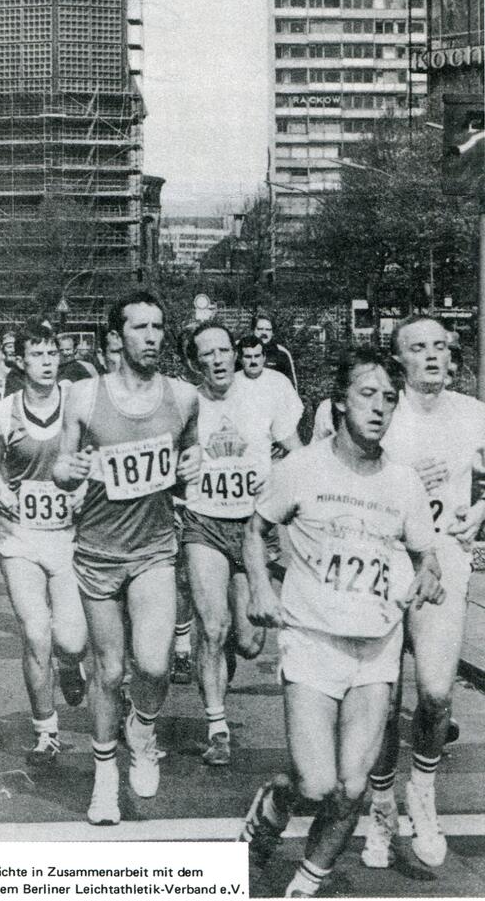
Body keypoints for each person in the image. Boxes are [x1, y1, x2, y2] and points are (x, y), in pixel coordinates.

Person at [239, 347, 443, 898]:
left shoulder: (403, 483)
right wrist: (259, 584)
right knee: (316, 782)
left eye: (389, 399)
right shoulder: (301, 469)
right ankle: (275, 802)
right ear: (339, 402)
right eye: (367, 394)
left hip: (376, 648)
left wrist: (428, 576)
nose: (379, 408)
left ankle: (307, 882)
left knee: (352, 787)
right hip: (312, 641)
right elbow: (254, 531)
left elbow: (427, 556)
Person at [53, 288, 199, 825]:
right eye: (140, 328)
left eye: (158, 327)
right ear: (117, 337)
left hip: (155, 551)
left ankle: (143, 730)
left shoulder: (183, 398)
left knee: (156, 664)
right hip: (97, 552)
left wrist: (193, 465)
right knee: (110, 673)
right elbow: (64, 465)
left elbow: (192, 452)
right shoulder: (85, 396)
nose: (153, 337)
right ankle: (104, 777)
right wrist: (67, 472)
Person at [361, 316, 485, 871]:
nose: (432, 355)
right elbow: (342, 476)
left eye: (440, 345)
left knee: (435, 692)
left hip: (446, 563)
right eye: (418, 347)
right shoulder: (383, 412)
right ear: (399, 358)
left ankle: (423, 792)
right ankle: (382, 805)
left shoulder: (473, 413)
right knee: (383, 697)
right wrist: (403, 473)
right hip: (383, 564)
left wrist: (479, 514)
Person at [183, 322, 302, 766]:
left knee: (249, 642)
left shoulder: (267, 394)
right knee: (211, 627)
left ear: (236, 353)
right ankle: (217, 727)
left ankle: (218, 654)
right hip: (204, 525)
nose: (216, 360)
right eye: (206, 354)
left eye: (223, 350)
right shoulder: (186, 402)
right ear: (195, 362)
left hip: (253, 530)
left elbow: (298, 452)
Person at [0, 318, 88, 765]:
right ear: (20, 363)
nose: (46, 362)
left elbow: (95, 453)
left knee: (72, 641)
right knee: (35, 632)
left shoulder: (78, 405)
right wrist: (4, 492)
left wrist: (83, 488)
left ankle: (70, 664)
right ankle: (46, 730)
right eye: (36, 355)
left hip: (67, 539)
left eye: (51, 354)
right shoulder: (1, 413)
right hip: (21, 538)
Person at [251, 312, 298, 388]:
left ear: (272, 332)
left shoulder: (282, 354)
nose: (264, 333)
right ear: (253, 330)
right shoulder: (240, 349)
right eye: (260, 329)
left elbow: (291, 387)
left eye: (268, 330)